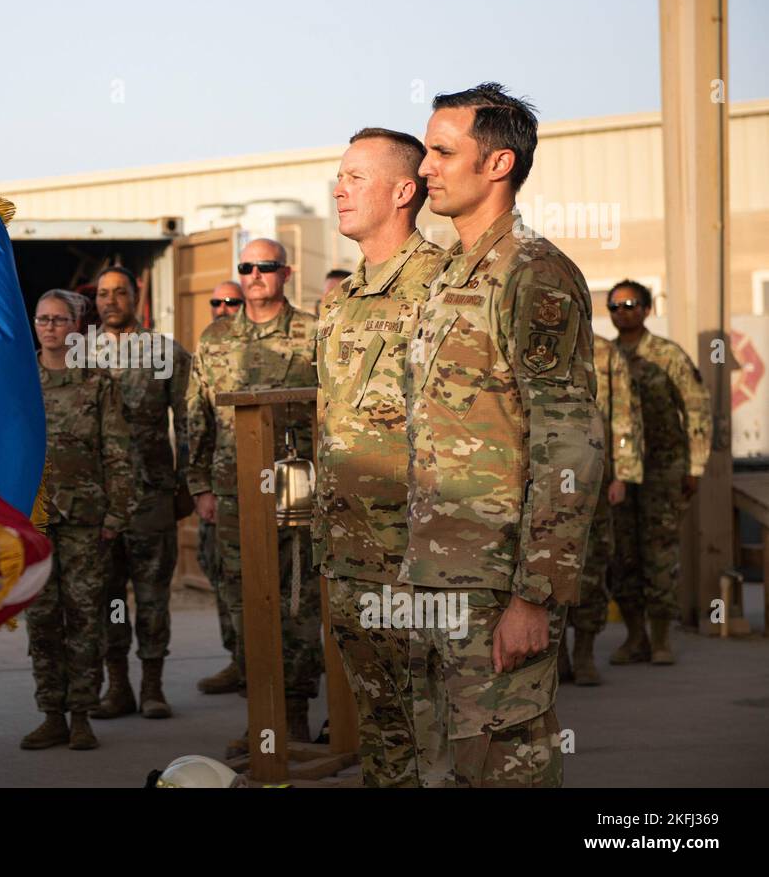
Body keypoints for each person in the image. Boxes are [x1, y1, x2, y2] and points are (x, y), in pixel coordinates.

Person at [405, 83, 603, 787]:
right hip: (438, 580)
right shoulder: (453, 273)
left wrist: (534, 595)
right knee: (449, 767)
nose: (425, 167)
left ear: (498, 164)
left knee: (504, 767)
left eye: (441, 151)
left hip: (495, 587)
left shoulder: (531, 273)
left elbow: (570, 441)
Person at [314, 128, 445, 787]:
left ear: (404, 190)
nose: (339, 187)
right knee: (382, 734)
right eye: (338, 175)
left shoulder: (442, 289)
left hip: (420, 563)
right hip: (348, 556)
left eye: (356, 176)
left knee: (437, 734)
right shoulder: (338, 302)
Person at [186, 238, 323, 745]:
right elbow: (195, 416)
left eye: (266, 266)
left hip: (299, 492)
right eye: (247, 267)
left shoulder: (313, 332)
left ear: (285, 272)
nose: (255, 274)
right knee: (244, 601)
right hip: (233, 490)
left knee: (298, 602)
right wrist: (199, 485)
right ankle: (261, 715)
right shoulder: (216, 338)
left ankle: (296, 712)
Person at [22, 289, 134, 751]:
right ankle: (52, 713)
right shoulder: (20, 379)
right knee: (42, 620)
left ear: (75, 326)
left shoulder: (97, 382)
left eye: (58, 320)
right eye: (43, 320)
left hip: (87, 520)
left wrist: (116, 512)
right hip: (34, 521)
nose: (49, 328)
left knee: (85, 618)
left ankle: (83, 715)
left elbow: (119, 452)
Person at [89, 266, 191, 720]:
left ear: (136, 297)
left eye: (120, 293)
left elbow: (189, 423)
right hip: (98, 500)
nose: (111, 301)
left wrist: (189, 484)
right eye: (103, 294)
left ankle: (153, 688)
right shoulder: (79, 356)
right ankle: (118, 688)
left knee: (152, 598)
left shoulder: (164, 352)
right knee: (109, 598)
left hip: (151, 493)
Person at [607, 280, 711, 666]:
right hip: (620, 475)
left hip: (664, 471)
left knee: (659, 554)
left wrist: (695, 466)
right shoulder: (605, 358)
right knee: (623, 556)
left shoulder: (668, 356)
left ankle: (662, 638)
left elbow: (696, 410)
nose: (624, 312)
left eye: (631, 304)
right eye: (615, 307)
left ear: (648, 309)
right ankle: (635, 637)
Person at [560, 334, 644, 685]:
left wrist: (623, 474)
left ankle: (584, 653)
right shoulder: (524, 338)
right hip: (543, 477)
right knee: (544, 570)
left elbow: (625, 414)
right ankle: (557, 657)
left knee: (592, 566)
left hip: (594, 476)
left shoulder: (605, 352)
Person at [195, 279, 245, 694]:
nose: (224, 307)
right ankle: (239, 659)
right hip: (223, 488)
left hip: (280, 491)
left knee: (286, 588)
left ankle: (288, 683)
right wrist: (199, 488)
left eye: (232, 301)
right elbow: (198, 420)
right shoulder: (208, 345)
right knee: (225, 578)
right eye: (217, 301)